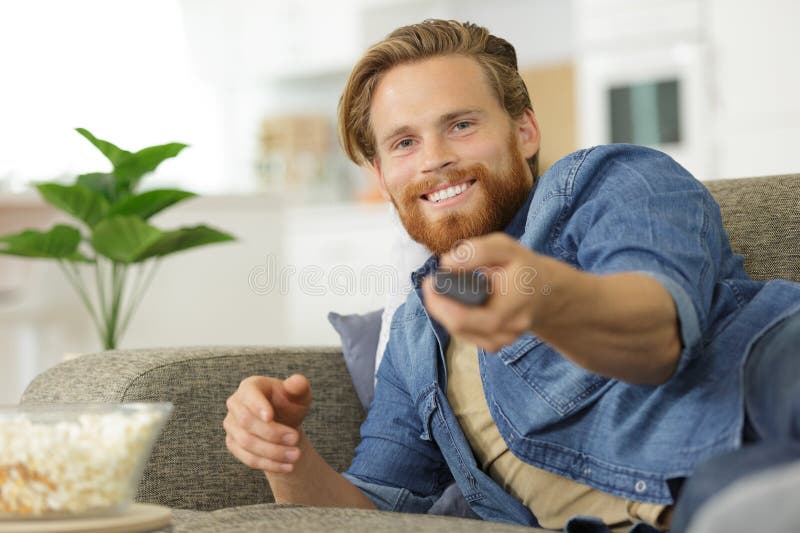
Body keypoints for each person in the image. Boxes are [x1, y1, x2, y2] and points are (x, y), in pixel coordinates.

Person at [223, 20, 800, 533]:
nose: (434, 158)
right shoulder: (414, 337)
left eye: (461, 125)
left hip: (768, 388)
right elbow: (370, 514)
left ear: (523, 130)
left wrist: (541, 298)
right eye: (404, 142)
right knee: (732, 501)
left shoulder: (603, 182)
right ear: (381, 172)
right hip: (710, 497)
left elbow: (655, 332)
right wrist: (285, 451)